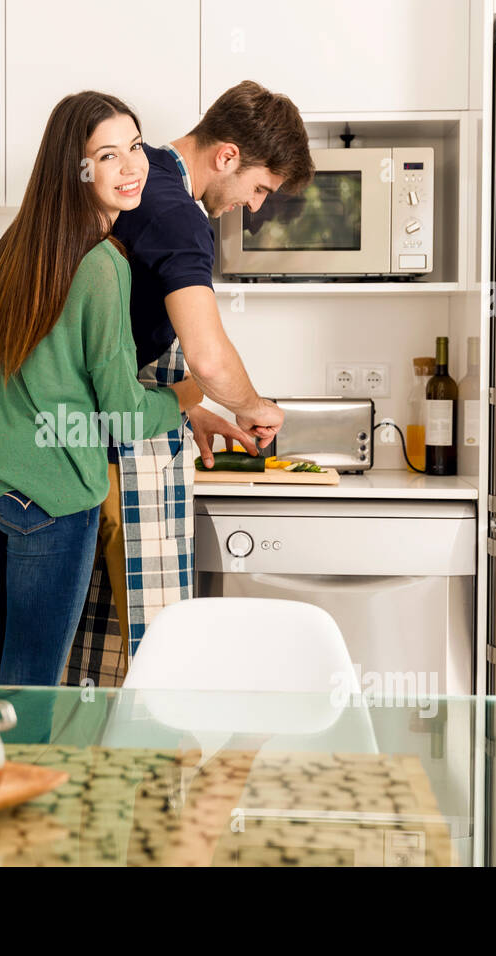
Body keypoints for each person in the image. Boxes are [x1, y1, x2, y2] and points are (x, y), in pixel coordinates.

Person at [0, 91, 204, 687]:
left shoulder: (12, 248)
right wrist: (190, 396)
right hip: (50, 499)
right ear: (77, 170)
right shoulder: (103, 263)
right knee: (29, 689)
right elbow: (120, 413)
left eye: (136, 147)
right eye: (108, 156)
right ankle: (24, 782)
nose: (133, 167)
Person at [65, 81, 315, 686]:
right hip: (114, 464)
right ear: (227, 155)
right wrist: (257, 408)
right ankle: (153, 778)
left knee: (93, 665)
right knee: (154, 668)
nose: (255, 208)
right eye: (259, 189)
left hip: (77, 446)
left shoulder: (134, 184)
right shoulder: (178, 213)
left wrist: (185, 409)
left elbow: (111, 338)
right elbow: (206, 356)